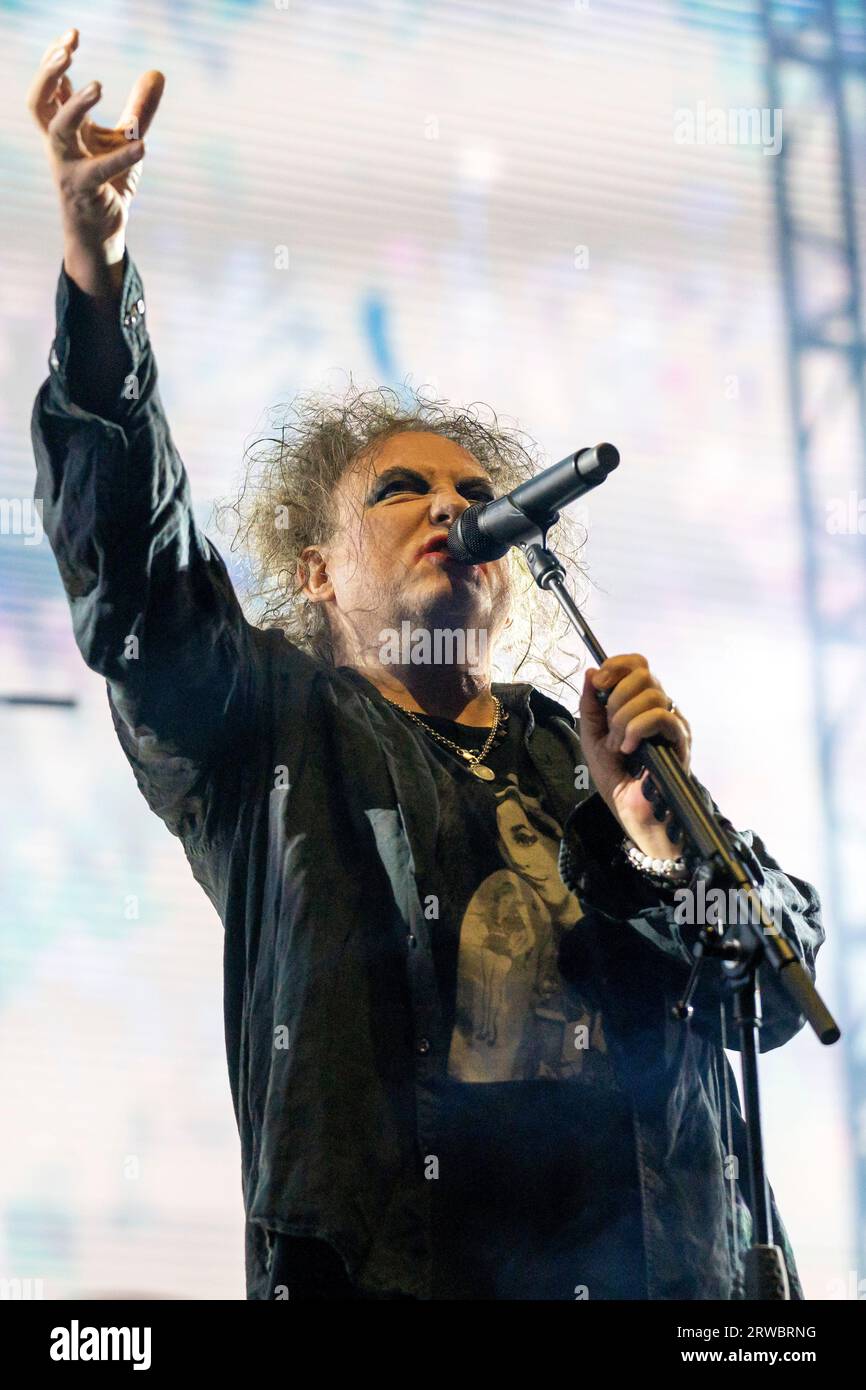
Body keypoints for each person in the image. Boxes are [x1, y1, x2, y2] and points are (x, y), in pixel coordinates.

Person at [28, 27, 824, 1301]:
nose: (451, 506)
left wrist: (654, 845)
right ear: (316, 569)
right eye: (401, 489)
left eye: (470, 489)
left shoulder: (585, 752)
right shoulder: (272, 729)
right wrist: (97, 274)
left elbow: (775, 985)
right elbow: (135, 572)